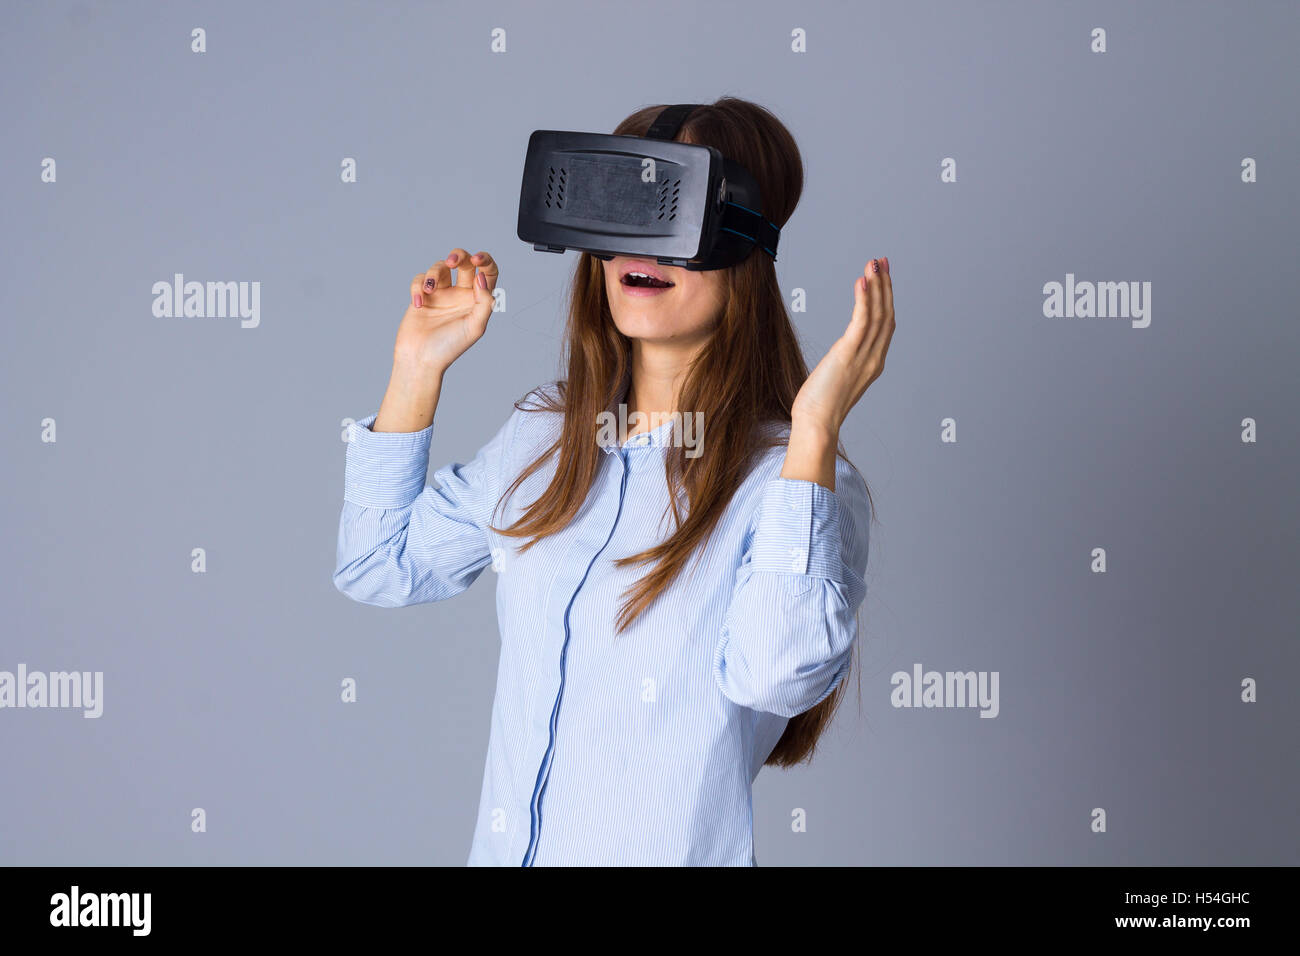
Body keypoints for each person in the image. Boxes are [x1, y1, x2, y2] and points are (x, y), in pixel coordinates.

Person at [333, 97, 895, 866]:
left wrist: (815, 434)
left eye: (673, 208)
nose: (643, 246)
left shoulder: (790, 482)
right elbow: (379, 566)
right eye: (623, 206)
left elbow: (778, 676)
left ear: (745, 243)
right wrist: (416, 369)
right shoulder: (543, 437)